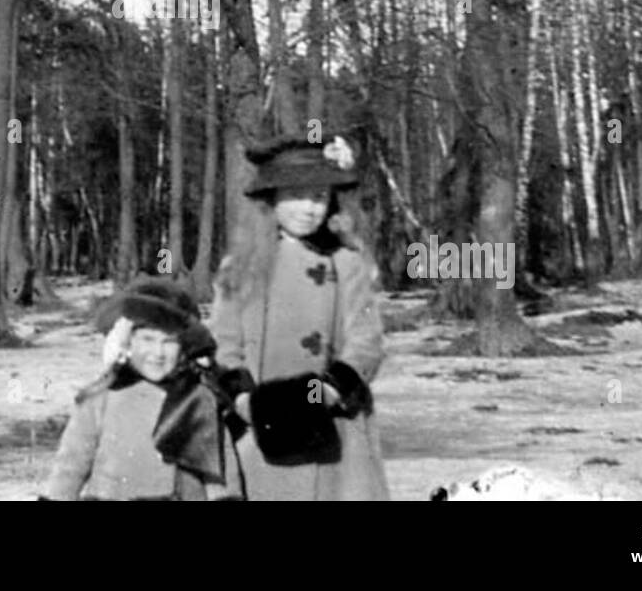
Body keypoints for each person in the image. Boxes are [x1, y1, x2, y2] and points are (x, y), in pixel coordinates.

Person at [209, 133, 390, 500]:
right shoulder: (240, 267)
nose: (310, 209)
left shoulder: (347, 263)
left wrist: (323, 391)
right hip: (262, 425)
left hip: (332, 428)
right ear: (271, 199)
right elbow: (224, 343)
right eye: (296, 197)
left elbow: (366, 340)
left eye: (320, 197)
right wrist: (243, 400)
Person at [42, 276, 244, 500]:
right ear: (127, 342)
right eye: (148, 339)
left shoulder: (197, 399)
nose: (157, 353)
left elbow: (220, 475)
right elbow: (70, 468)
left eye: (169, 342)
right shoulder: (101, 397)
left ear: (184, 347)